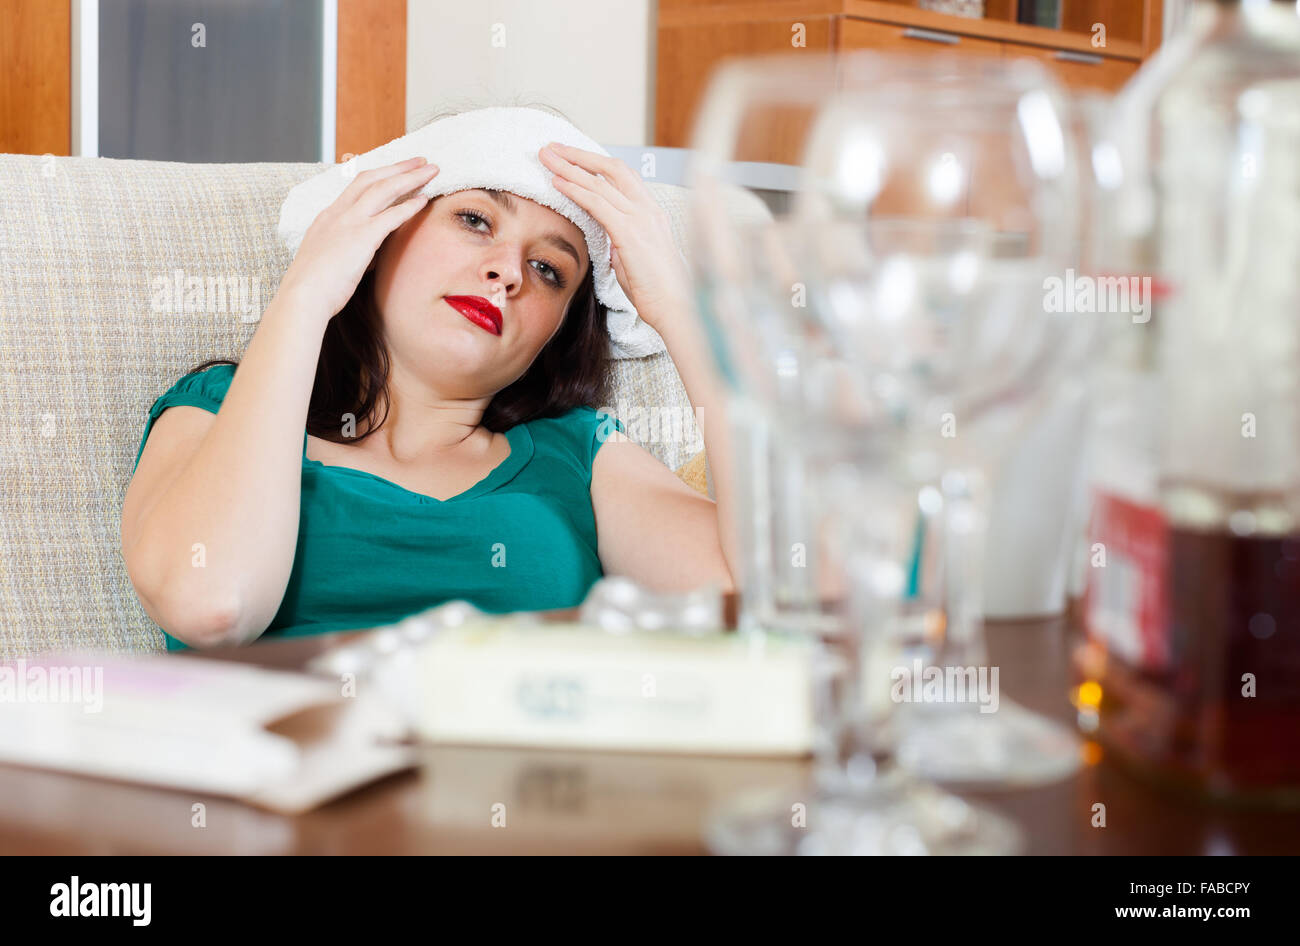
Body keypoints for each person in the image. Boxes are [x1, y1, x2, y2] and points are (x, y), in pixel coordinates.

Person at [121, 107, 737, 651]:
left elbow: (783, 605)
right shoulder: (220, 407)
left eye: (548, 268)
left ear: (557, 333)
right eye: (475, 221)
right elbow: (212, 606)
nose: (507, 272)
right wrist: (307, 294)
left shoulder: (580, 454)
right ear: (381, 233)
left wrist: (681, 311)